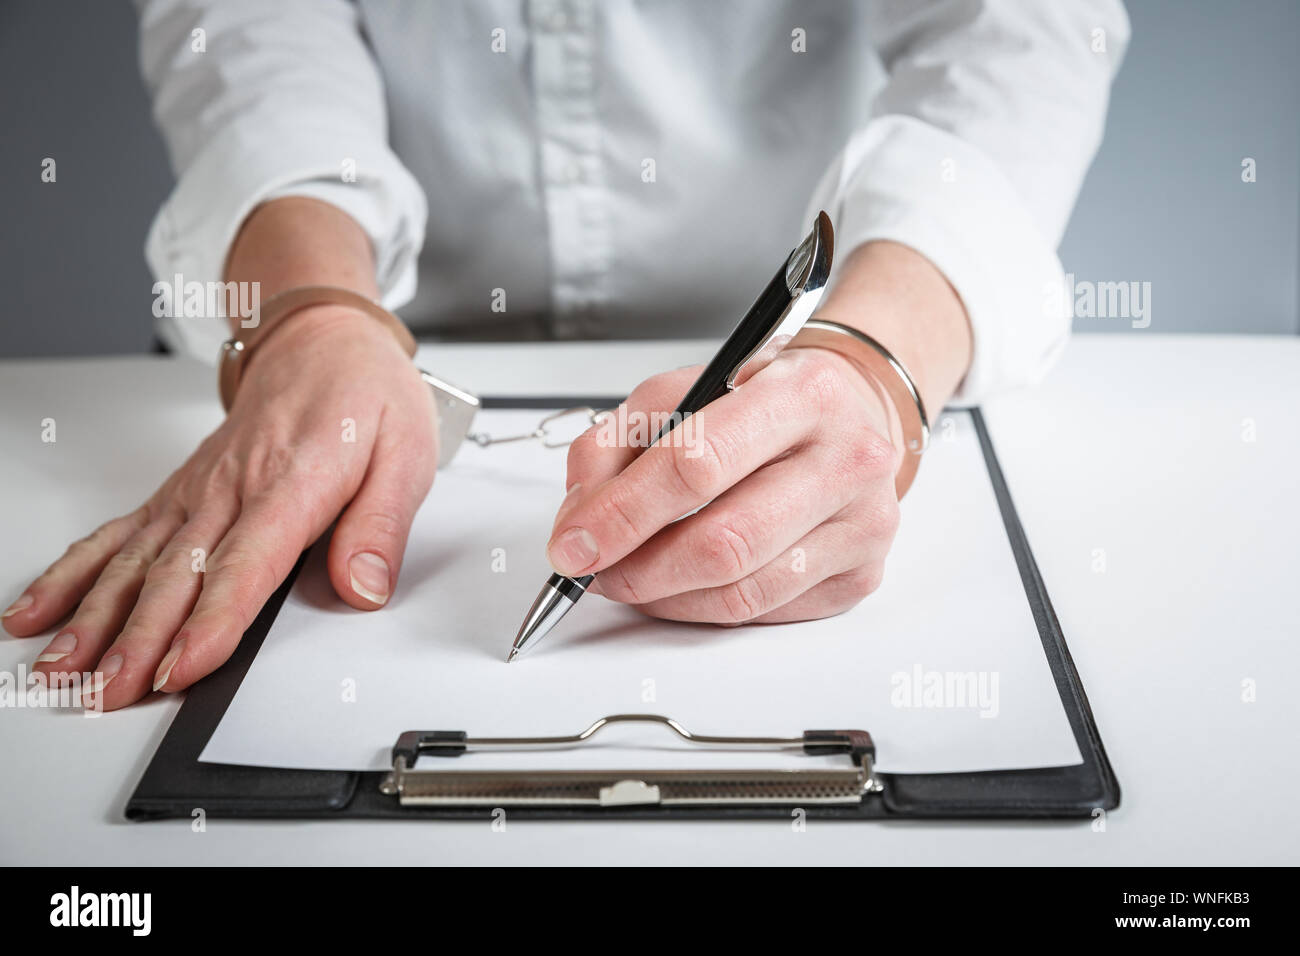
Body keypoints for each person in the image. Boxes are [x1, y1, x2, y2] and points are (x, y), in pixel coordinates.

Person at [3, 0, 1129, 709]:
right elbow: (247, 22)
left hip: (803, 335)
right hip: (360, 328)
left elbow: (1019, 29)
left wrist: (878, 357)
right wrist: (305, 309)